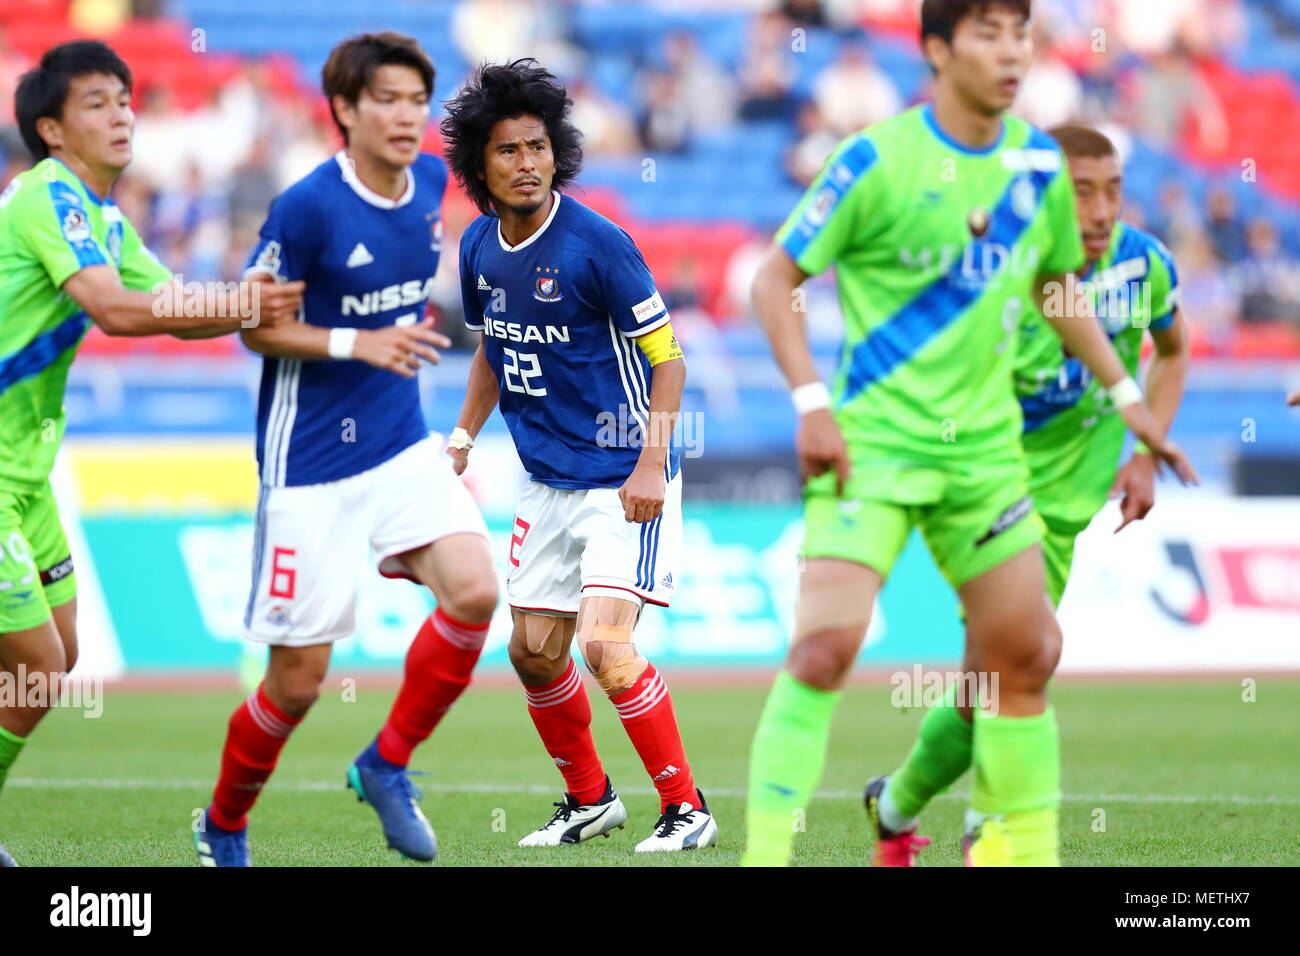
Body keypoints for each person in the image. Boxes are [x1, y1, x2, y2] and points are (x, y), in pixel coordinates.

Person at [742, 0, 1196, 868]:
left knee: (1023, 659)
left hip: (987, 463)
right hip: (872, 445)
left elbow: (1061, 290)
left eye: (1020, 32)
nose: (1011, 51)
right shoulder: (874, 159)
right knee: (825, 648)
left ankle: (1012, 852)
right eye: (988, 33)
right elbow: (776, 280)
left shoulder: (1036, 165)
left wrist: (1129, 397)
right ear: (938, 49)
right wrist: (810, 400)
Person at [193, 32, 497, 868]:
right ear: (344, 111)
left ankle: (386, 763)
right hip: (310, 466)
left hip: (400, 444)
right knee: (296, 682)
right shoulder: (307, 207)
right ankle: (222, 824)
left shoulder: (434, 181)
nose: (406, 116)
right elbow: (253, 326)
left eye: (416, 100)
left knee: (475, 593)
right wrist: (354, 345)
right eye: (387, 100)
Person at [0, 39, 302, 868]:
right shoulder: (45, 198)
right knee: (32, 664)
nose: (122, 112)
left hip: (26, 472)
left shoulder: (102, 216)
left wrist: (252, 302)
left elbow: (168, 302)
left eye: (125, 98)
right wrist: (249, 302)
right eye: (97, 102)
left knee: (54, 664)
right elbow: (116, 311)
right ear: (53, 130)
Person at [865, 124, 1190, 865]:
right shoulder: (1005, 276)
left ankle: (893, 807)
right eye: (1082, 192)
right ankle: (991, 829)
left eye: (1113, 189)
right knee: (1029, 656)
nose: (1102, 210)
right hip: (990, 493)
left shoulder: (1146, 265)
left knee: (995, 676)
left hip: (1065, 514)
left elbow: (1173, 351)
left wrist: (1145, 454)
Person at [442, 59, 716, 852]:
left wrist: (650, 465)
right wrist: (461, 438)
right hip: (546, 479)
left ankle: (686, 808)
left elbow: (670, 359)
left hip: (625, 476)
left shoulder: (601, 245)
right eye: (508, 151)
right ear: (479, 165)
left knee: (604, 645)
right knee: (531, 652)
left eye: (538, 147)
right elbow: (494, 347)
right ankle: (589, 799)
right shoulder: (478, 251)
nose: (527, 163)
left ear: (557, 152)